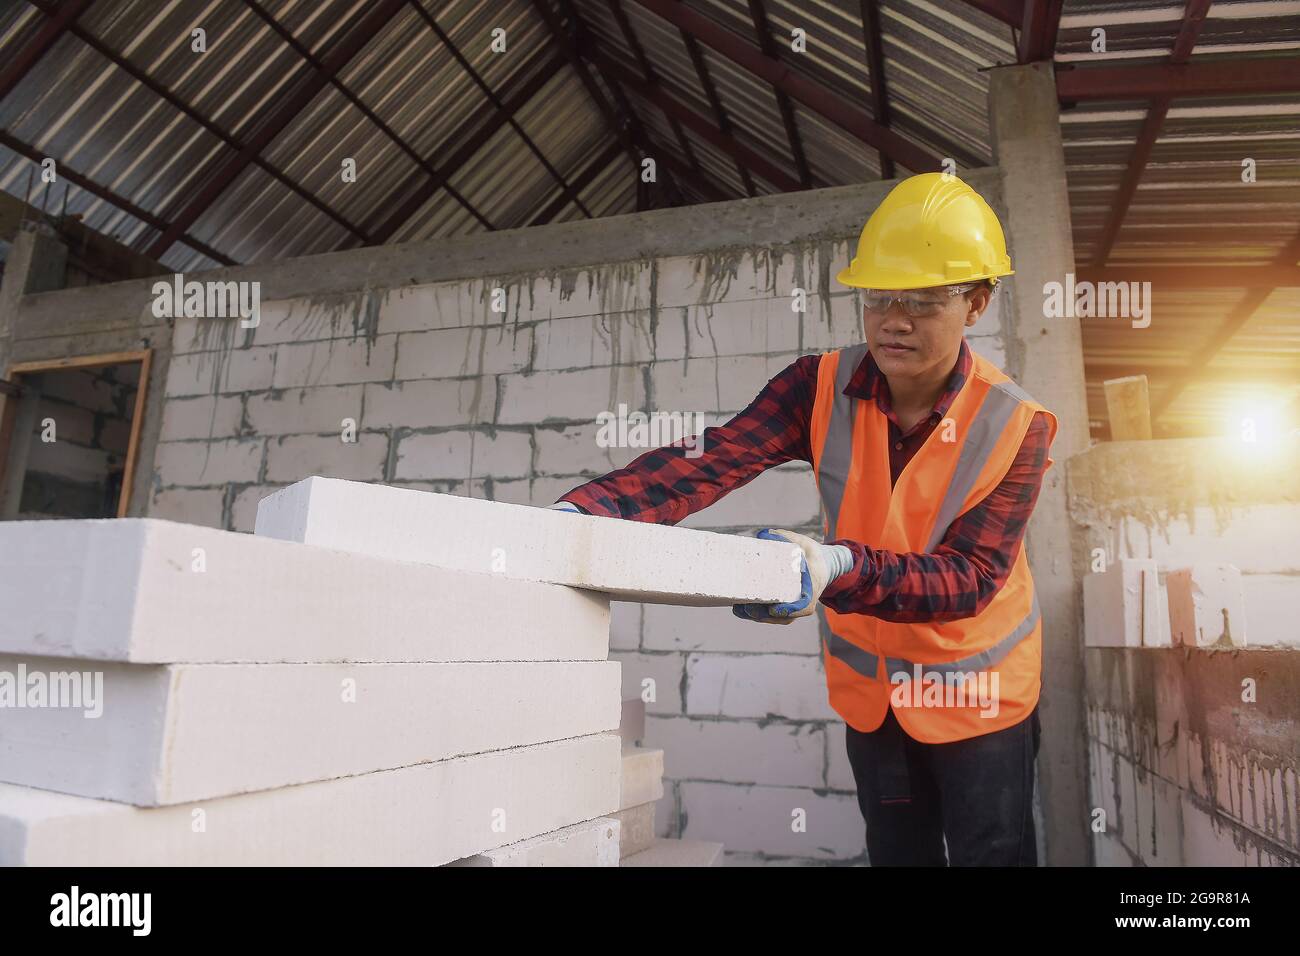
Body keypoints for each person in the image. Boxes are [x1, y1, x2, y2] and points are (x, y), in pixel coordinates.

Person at [550, 173, 1058, 866]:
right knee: (897, 856)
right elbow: (715, 459)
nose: (894, 320)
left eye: (923, 301)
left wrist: (835, 566)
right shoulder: (818, 386)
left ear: (977, 302)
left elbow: (969, 580)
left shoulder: (1016, 422)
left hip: (979, 697)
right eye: (878, 297)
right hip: (873, 697)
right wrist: (585, 512)